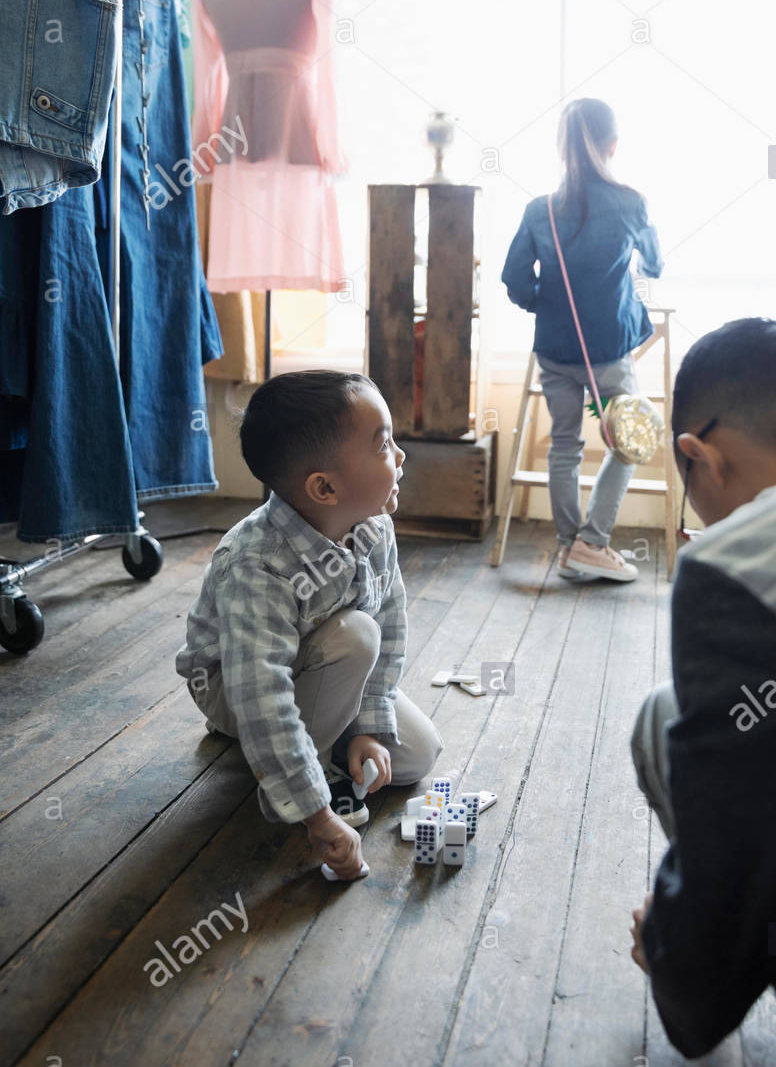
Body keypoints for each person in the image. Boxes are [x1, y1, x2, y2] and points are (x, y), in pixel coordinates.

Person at [629, 318, 776, 1067]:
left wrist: (675, 957)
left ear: (700, 458)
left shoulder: (746, 556)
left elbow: (738, 846)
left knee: (668, 727)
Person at [176, 370, 443, 881]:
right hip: (235, 688)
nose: (401, 455)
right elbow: (263, 693)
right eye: (384, 444)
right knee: (355, 636)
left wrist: (367, 727)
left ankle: (315, 741)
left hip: (325, 667)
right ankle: (300, 772)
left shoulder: (373, 524)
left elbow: (391, 619)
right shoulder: (258, 565)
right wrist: (315, 813)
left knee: (414, 756)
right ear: (324, 487)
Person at [501, 97, 663, 583]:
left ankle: (571, 548)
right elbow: (653, 265)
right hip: (609, 351)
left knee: (564, 447)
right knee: (631, 442)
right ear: (612, 144)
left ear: (560, 146)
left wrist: (542, 303)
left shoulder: (540, 210)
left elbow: (513, 278)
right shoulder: (632, 203)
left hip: (555, 351)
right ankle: (593, 543)